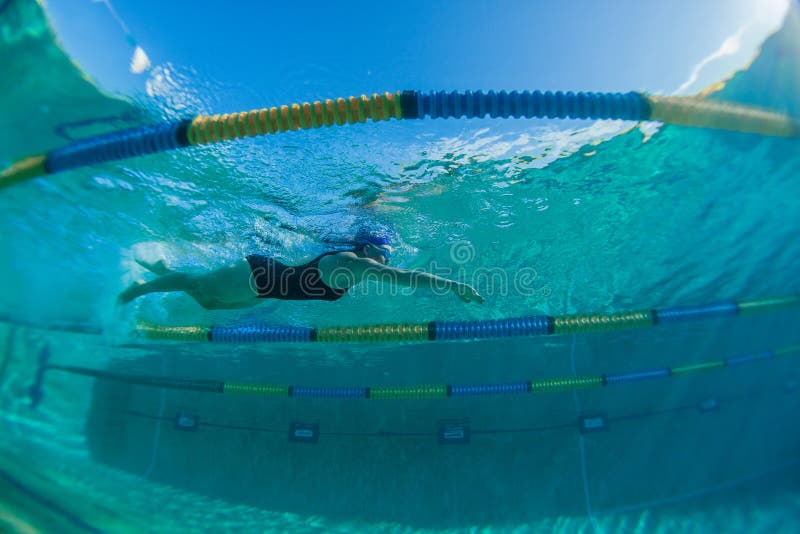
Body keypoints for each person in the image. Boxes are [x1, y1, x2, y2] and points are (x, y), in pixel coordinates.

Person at [118, 229, 484, 310]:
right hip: (258, 274)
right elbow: (404, 278)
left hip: (265, 290)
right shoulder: (351, 263)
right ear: (368, 248)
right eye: (385, 254)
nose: (388, 260)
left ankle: (159, 266)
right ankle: (138, 287)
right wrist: (453, 285)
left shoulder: (357, 268)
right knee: (200, 286)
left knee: (207, 302)